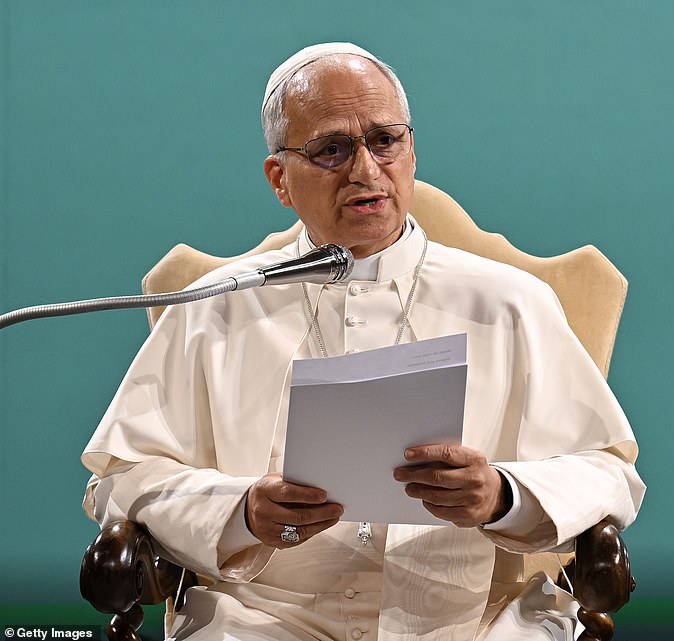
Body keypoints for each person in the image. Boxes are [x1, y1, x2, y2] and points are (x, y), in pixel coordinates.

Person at [82, 42, 645, 641]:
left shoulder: (509, 302)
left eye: (385, 140)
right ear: (280, 178)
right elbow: (122, 480)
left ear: (412, 152)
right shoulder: (214, 306)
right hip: (263, 621)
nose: (366, 171)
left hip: (476, 622)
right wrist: (240, 512)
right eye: (331, 149)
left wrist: (501, 496)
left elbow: (609, 472)